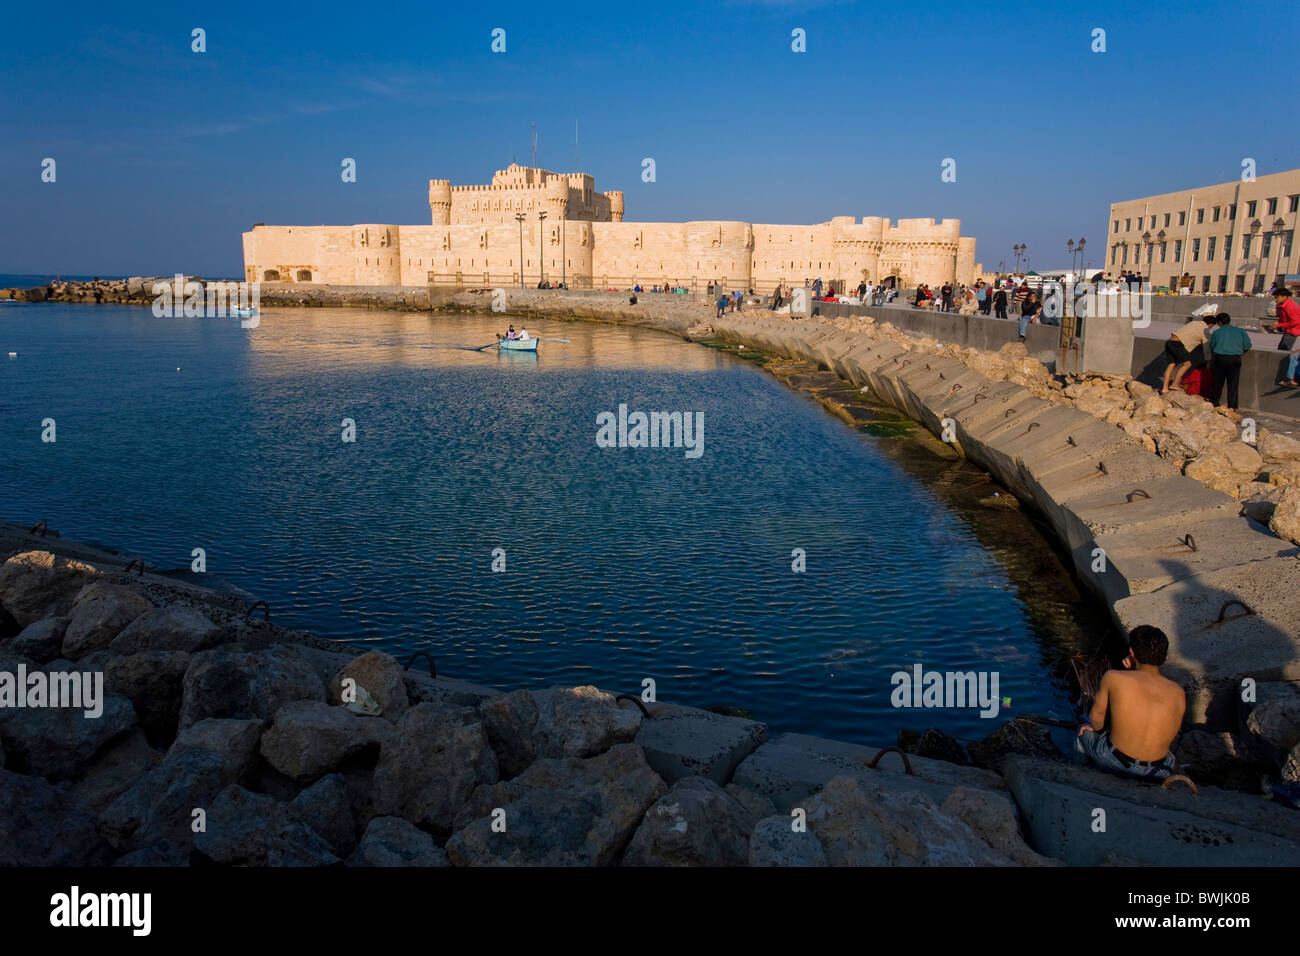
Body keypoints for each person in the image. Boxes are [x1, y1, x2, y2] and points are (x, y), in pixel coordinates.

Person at [1075, 626, 1185, 781]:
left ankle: (1078, 774)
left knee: (1083, 730)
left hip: (1117, 763)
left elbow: (1096, 719)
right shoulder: (1178, 692)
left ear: (1132, 653)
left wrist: (1094, 728)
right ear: (1164, 656)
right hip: (1159, 771)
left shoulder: (1113, 677)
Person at [1160, 309, 1216, 395]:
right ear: (1211, 325)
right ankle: (1175, 384)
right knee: (1188, 364)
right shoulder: (1205, 330)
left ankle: (1164, 388)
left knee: (1171, 365)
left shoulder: (1194, 323)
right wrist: (1208, 361)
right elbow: (1206, 348)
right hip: (1178, 344)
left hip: (1170, 342)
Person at [1208, 312, 1252, 410]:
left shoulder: (1217, 332)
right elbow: (1247, 345)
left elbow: (1212, 346)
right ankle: (1232, 406)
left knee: (1218, 382)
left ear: (1219, 323)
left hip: (1221, 359)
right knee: (1233, 384)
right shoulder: (1240, 331)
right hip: (1235, 359)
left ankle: (1214, 403)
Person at [1271, 287, 1300, 351]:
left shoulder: (1291, 306)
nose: (1275, 300)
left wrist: (1279, 325)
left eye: (1277, 298)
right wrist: (1279, 324)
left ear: (1284, 297)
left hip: (1293, 331)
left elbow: (1296, 322)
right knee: (1281, 349)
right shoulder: (1281, 305)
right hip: (1288, 329)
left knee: (1283, 350)